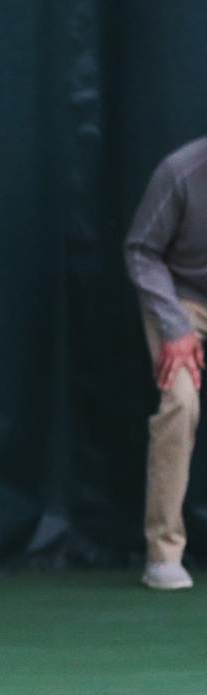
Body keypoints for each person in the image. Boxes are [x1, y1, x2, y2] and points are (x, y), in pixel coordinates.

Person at [124, 137, 207, 591]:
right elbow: (141, 251)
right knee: (180, 399)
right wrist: (175, 328)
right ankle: (163, 554)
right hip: (182, 301)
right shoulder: (180, 171)